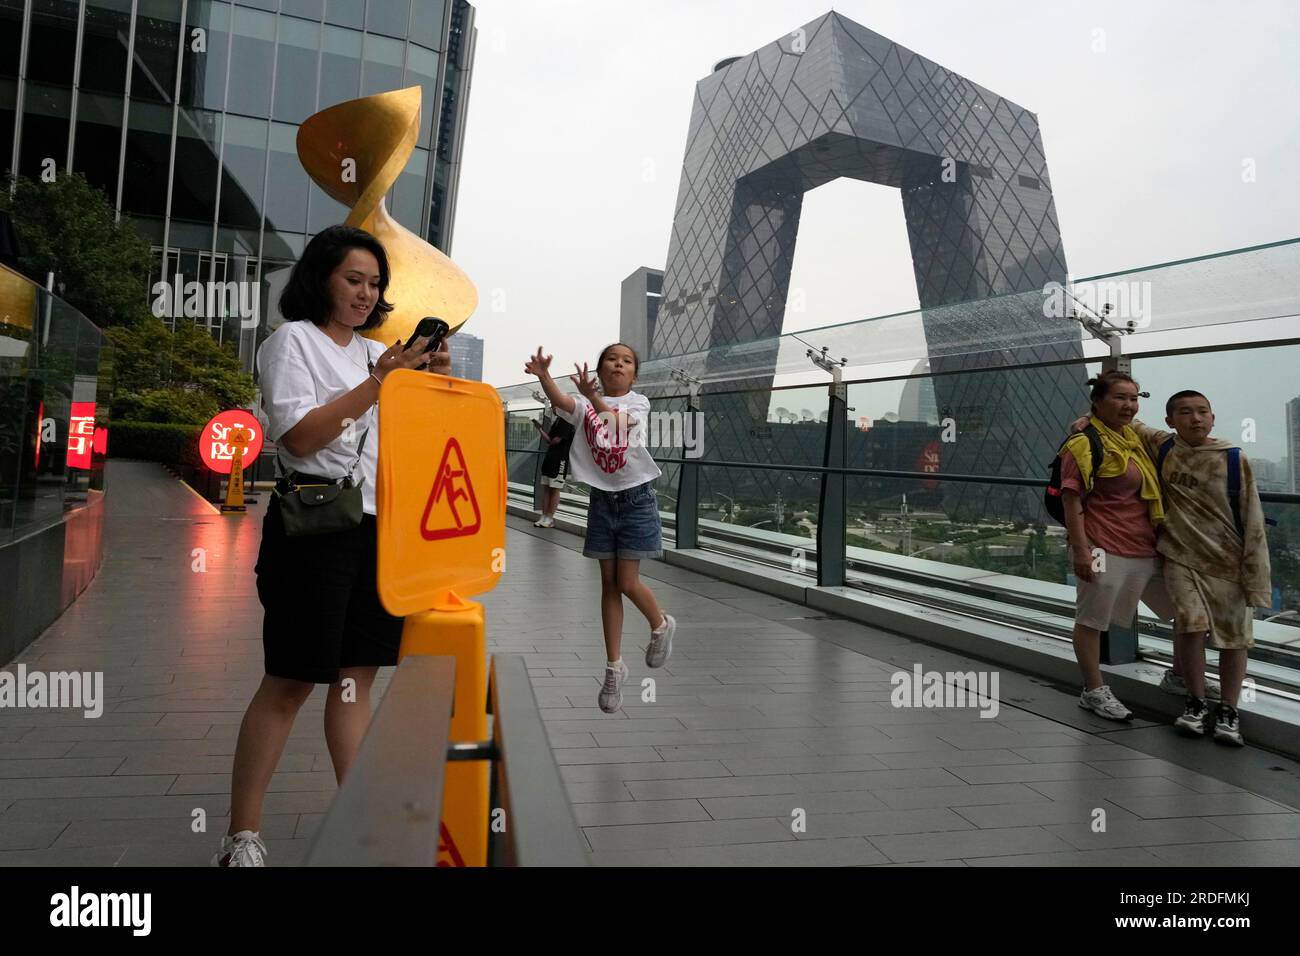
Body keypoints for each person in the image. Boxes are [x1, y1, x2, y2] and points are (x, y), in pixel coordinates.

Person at [214, 225, 450, 867]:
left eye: (375, 285)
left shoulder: (380, 353)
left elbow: (414, 442)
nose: (365, 294)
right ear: (321, 277)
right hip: (314, 525)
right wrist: (380, 382)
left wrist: (428, 383)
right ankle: (242, 837)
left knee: (355, 682)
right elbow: (299, 438)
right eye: (353, 279)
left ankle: (366, 822)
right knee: (290, 680)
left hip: (379, 530)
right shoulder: (292, 341)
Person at [524, 342, 676, 712]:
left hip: (637, 499)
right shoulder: (583, 406)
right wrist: (545, 376)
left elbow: (616, 424)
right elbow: (563, 401)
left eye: (626, 361)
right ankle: (614, 667)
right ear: (600, 368)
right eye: (612, 359)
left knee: (627, 582)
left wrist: (595, 399)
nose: (618, 365)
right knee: (608, 585)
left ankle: (660, 624)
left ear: (634, 375)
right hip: (602, 501)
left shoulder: (638, 403)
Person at [1113, 391, 1270, 745]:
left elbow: (1253, 519)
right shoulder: (1165, 446)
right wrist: (1085, 423)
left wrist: (1256, 575)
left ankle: (1229, 709)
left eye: (1202, 412)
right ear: (1170, 421)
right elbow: (1130, 424)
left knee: (1234, 639)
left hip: (1228, 563)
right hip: (1180, 556)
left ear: (1213, 419)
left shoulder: (1232, 458)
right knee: (1189, 625)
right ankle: (1195, 702)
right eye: (1185, 412)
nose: (1195, 419)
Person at [1058, 371, 1166, 721]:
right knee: (1092, 619)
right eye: (1120, 397)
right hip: (1102, 546)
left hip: (1143, 546)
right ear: (1099, 401)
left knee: (1179, 611)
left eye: (1134, 398)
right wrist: (1080, 550)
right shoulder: (1083, 444)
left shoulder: (1130, 438)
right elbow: (1071, 500)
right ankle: (1093, 690)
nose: (1129, 405)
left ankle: (1180, 675)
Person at [532, 410, 575, 528]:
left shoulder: (567, 421)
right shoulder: (558, 421)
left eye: (554, 404)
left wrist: (551, 439)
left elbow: (556, 440)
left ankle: (550, 518)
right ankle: (544, 516)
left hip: (560, 459)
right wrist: (540, 429)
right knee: (546, 488)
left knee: (555, 488)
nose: (553, 407)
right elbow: (549, 439)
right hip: (550, 458)